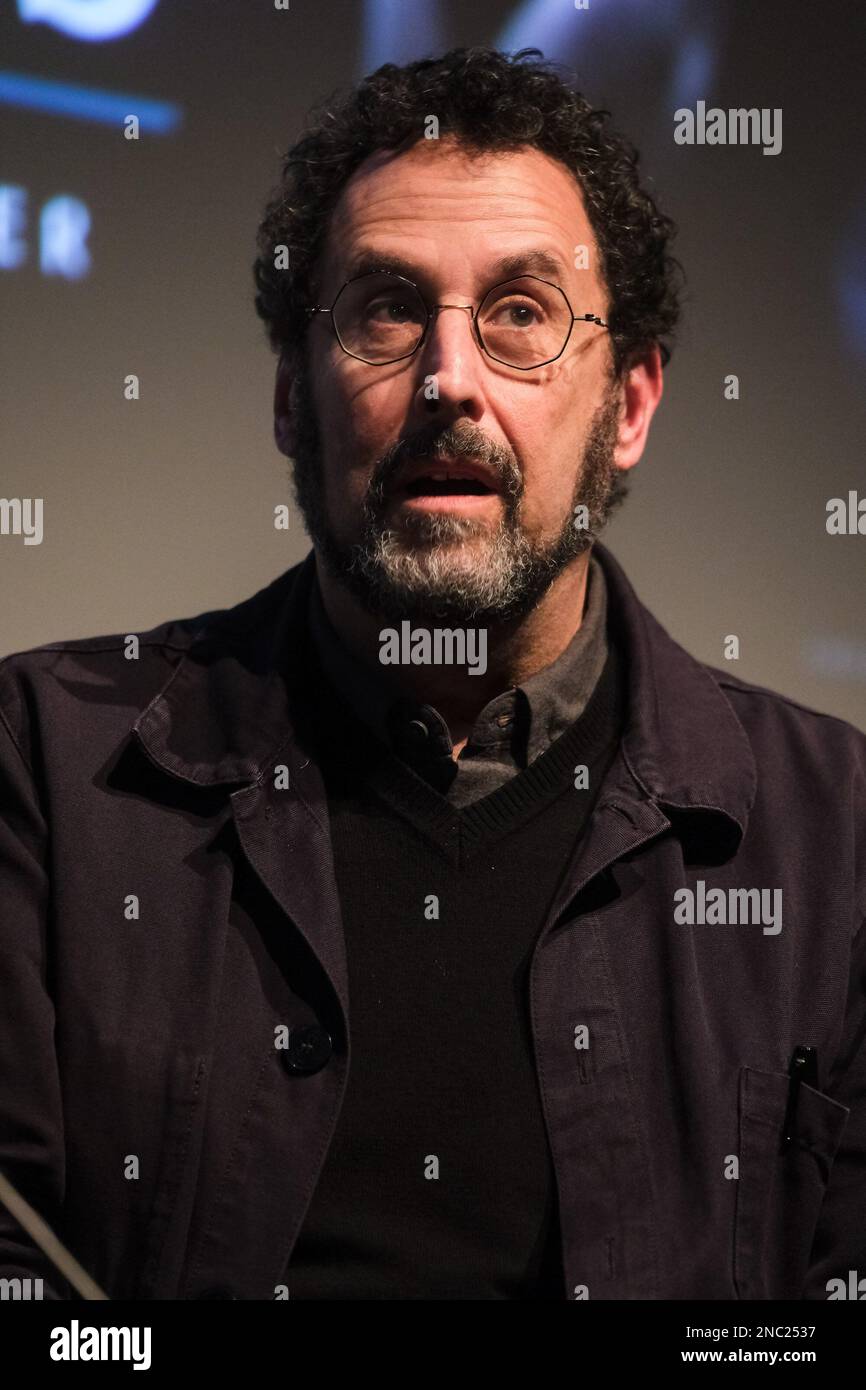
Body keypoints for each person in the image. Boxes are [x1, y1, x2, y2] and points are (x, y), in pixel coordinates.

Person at [1, 46, 863, 1302]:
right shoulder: (45, 765)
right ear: (293, 401)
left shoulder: (835, 836)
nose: (448, 379)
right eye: (387, 310)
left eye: (520, 313)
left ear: (627, 403)